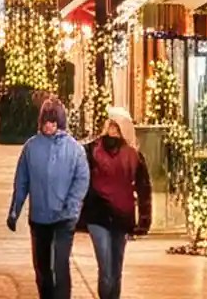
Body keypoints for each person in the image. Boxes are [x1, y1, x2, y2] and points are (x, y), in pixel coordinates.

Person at [7, 98, 89, 299]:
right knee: (42, 268)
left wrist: (72, 206)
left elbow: (81, 179)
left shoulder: (74, 149)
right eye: (46, 121)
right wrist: (14, 210)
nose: (49, 126)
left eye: (53, 122)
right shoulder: (31, 147)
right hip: (40, 217)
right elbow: (22, 181)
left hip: (64, 218)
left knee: (61, 265)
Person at [79, 107, 152, 299]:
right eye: (110, 127)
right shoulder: (92, 151)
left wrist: (144, 218)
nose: (112, 131)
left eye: (117, 128)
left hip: (122, 217)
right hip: (98, 215)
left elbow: (144, 188)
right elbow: (80, 180)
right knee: (106, 270)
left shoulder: (133, 156)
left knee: (116, 269)